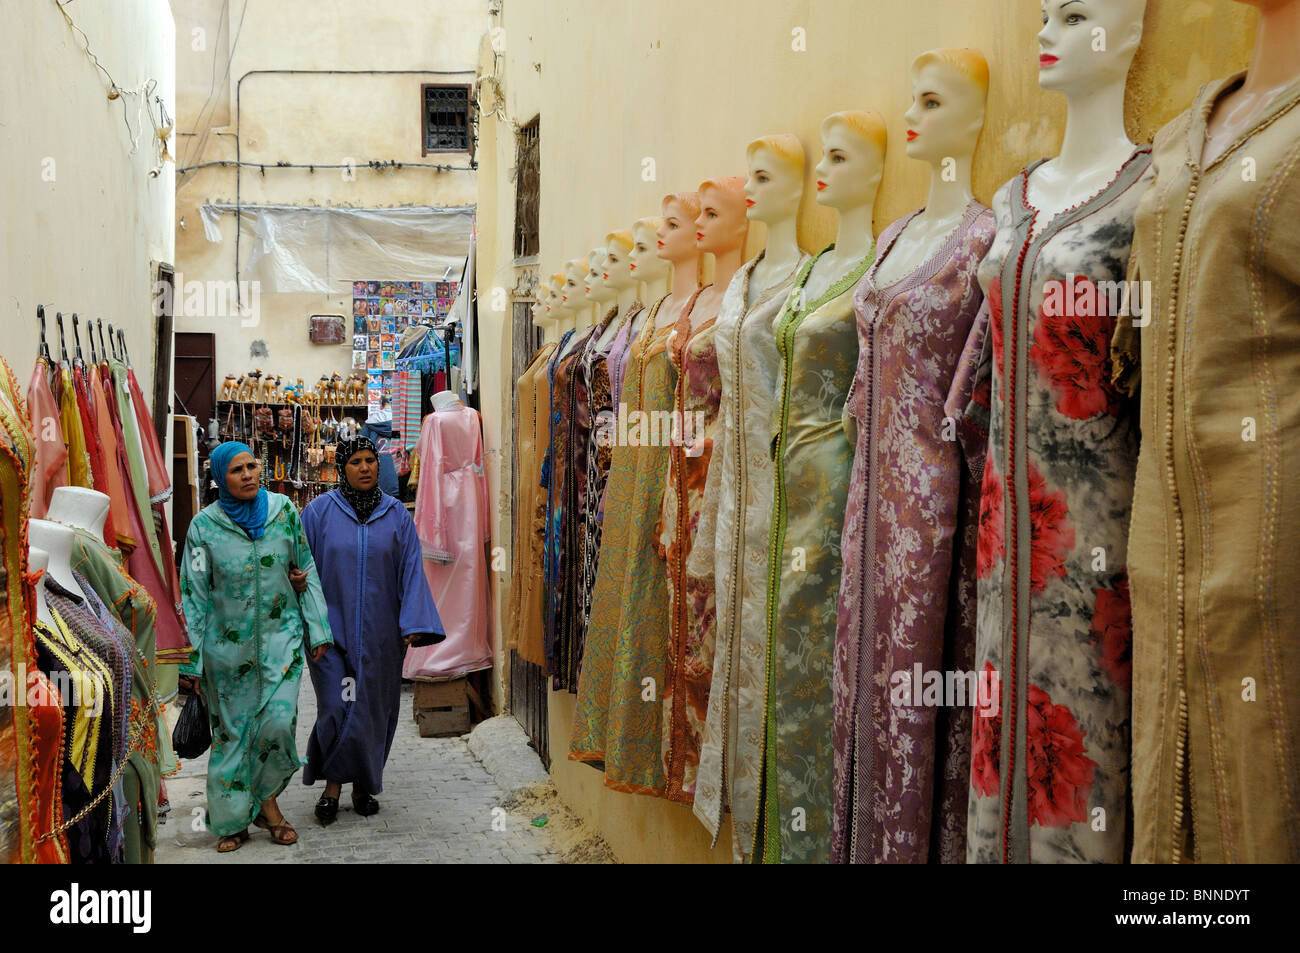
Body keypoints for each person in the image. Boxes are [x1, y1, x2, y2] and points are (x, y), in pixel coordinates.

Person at [179, 441, 334, 852]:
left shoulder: (284, 512)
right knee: (233, 736)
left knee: (277, 726)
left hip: (281, 643)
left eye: (252, 466)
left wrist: (317, 627)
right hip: (225, 654)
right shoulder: (203, 527)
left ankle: (264, 804)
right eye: (236, 470)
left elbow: (306, 566)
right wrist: (193, 661)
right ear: (220, 478)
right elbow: (193, 596)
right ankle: (237, 819)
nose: (248, 474)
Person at [297, 436, 444, 822]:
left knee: (373, 710)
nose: (365, 468)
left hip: (381, 635)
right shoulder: (317, 513)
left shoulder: (397, 516)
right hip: (329, 634)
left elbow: (411, 570)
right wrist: (300, 596)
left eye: (370, 461)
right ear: (341, 469)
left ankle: (361, 785)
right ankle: (332, 786)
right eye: (355, 462)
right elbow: (299, 565)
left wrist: (414, 622)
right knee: (334, 707)